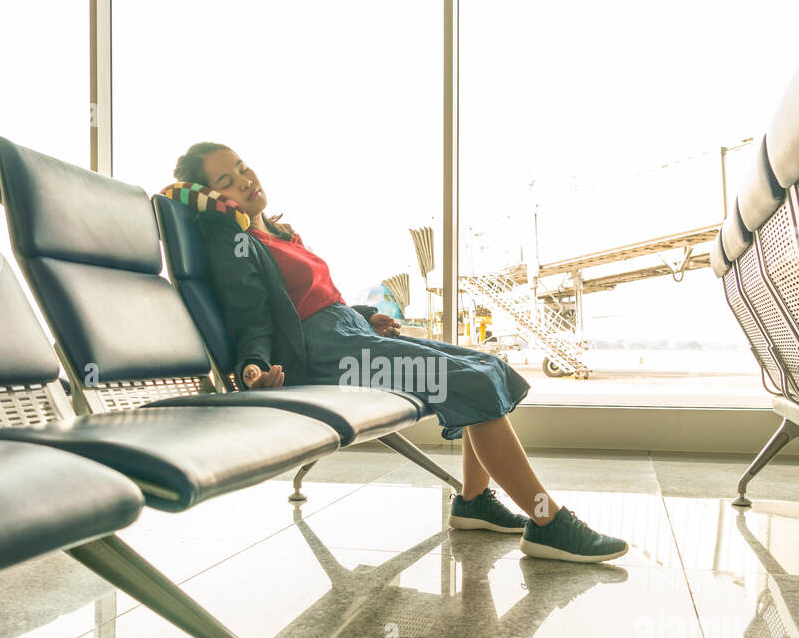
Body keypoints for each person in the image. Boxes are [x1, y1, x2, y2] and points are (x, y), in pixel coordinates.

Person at [168, 142, 627, 563]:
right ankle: (546, 521)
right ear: (212, 197)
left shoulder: (280, 233)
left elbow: (318, 296)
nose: (245, 180)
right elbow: (250, 313)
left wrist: (365, 316)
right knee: (469, 381)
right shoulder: (233, 239)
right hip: (325, 353)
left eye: (243, 168)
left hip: (347, 333)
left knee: (488, 364)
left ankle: (473, 501)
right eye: (226, 181)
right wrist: (255, 365)